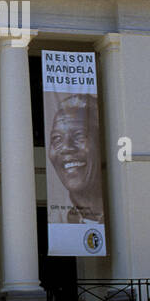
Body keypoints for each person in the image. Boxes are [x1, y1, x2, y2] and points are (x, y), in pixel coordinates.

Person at [46, 94, 105, 225]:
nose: (66, 148)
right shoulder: (53, 221)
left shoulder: (124, 208)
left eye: (79, 136)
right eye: (57, 139)